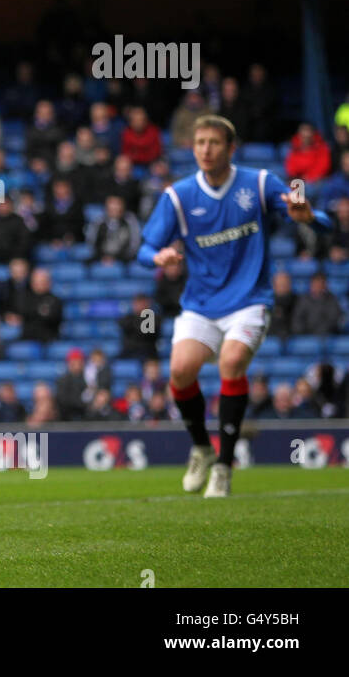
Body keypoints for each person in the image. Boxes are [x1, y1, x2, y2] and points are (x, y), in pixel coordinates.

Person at [137, 114, 330, 497]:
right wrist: (157, 258)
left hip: (249, 299)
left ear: (231, 148)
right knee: (179, 370)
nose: (206, 150)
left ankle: (224, 465)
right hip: (202, 303)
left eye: (214, 142)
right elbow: (143, 249)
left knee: (231, 361)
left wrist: (309, 216)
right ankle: (201, 449)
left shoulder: (257, 183)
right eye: (200, 143)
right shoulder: (179, 196)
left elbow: (319, 220)